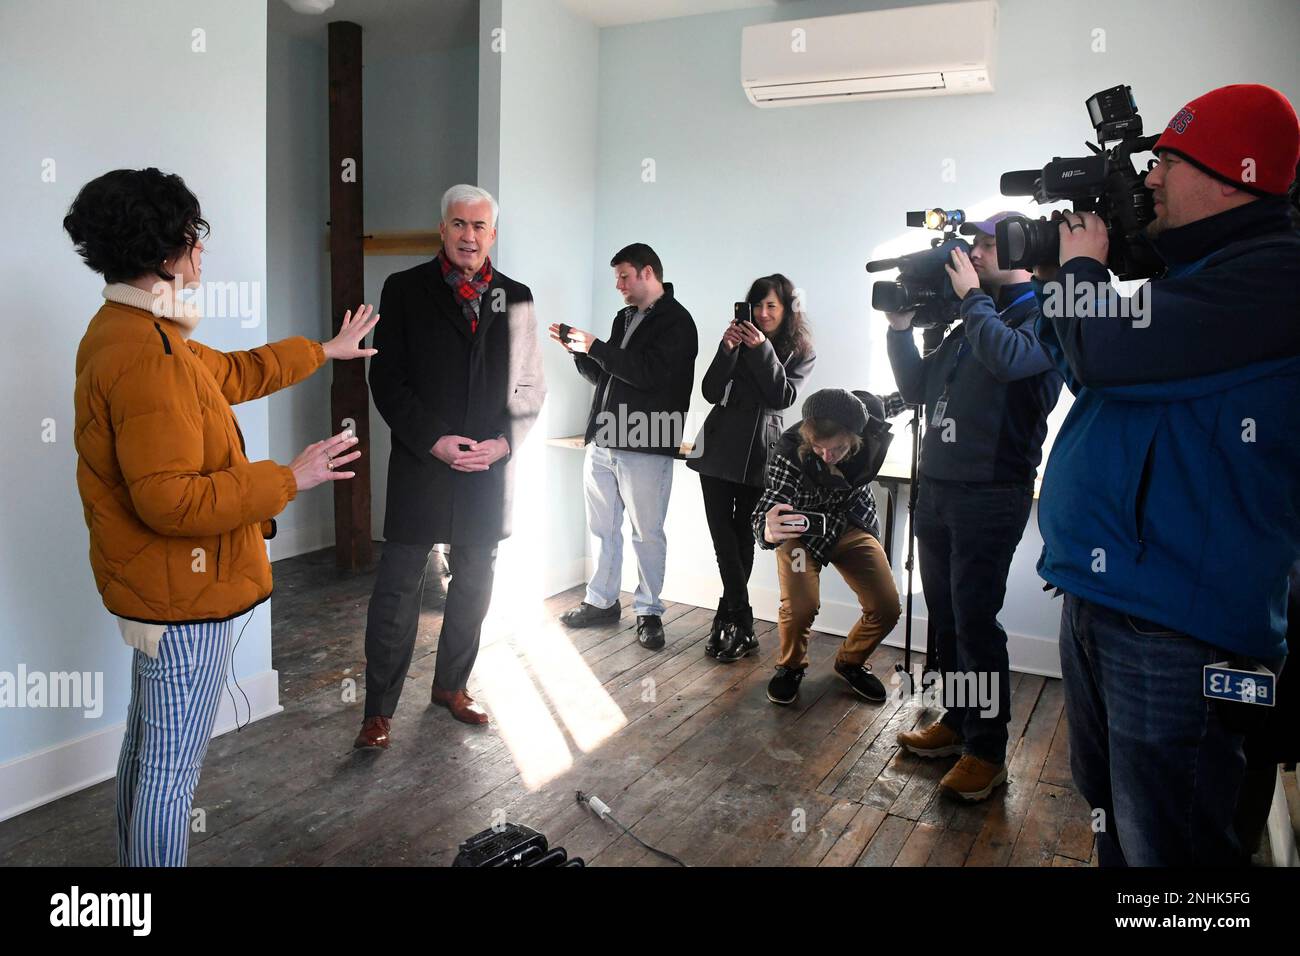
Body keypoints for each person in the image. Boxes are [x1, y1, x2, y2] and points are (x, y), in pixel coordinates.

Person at [66, 167, 378, 866]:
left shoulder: (132, 331)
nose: (202, 253)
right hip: (184, 597)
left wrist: (323, 352)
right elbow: (170, 500)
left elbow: (233, 373)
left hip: (163, 592)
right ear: (163, 251)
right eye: (193, 239)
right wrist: (288, 478)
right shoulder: (148, 353)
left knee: (148, 755)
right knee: (169, 777)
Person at [1032, 84, 1300, 865]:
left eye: (1167, 161)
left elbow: (1107, 354)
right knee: (1116, 817)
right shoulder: (1204, 276)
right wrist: (1070, 278)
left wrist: (1080, 268)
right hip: (1114, 601)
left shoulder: (1274, 278)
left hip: (1179, 629)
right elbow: (1097, 375)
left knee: (1172, 851)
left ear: (1229, 177)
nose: (1149, 178)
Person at [357, 184, 546, 746]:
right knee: (397, 587)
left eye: (479, 227)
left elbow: (531, 386)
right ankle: (377, 710)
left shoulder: (518, 296)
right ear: (442, 229)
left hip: (488, 471)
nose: (469, 235)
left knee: (475, 584)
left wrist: (503, 443)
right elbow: (387, 380)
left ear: (493, 235)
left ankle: (451, 687)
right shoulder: (405, 289)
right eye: (459, 225)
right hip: (424, 464)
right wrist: (433, 440)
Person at [883, 213, 1063, 802]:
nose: (976, 254)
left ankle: (987, 752)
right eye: (976, 244)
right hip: (937, 487)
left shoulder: (1041, 314)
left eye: (988, 245)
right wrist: (900, 330)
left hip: (990, 493)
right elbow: (916, 391)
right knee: (950, 618)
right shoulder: (969, 318)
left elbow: (1012, 361)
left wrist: (970, 302)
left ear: (1021, 250)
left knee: (977, 622)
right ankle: (958, 724)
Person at [548, 244, 698, 651]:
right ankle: (602, 601)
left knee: (646, 533)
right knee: (602, 528)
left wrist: (596, 346)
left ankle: (649, 611)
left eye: (624, 276)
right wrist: (581, 353)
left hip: (646, 442)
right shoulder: (625, 317)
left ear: (648, 273)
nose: (618, 285)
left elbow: (648, 375)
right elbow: (610, 377)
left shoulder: (678, 322)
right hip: (604, 438)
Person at [687, 274, 815, 663]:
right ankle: (739, 618)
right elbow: (710, 391)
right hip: (717, 441)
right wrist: (727, 349)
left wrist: (761, 351)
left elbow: (782, 397)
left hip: (760, 449)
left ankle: (730, 621)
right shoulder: (738, 340)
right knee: (721, 536)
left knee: (743, 535)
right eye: (757, 305)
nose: (762, 313)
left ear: (787, 309)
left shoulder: (800, 350)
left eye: (771, 306)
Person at [753, 389, 899, 705]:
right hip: (800, 534)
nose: (826, 456)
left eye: (837, 448)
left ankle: (851, 662)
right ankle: (790, 668)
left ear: (856, 435)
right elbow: (769, 503)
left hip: (851, 523)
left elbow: (893, 400)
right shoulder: (789, 453)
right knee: (801, 605)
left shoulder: (867, 414)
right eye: (818, 447)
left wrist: (935, 386)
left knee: (887, 606)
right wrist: (766, 528)